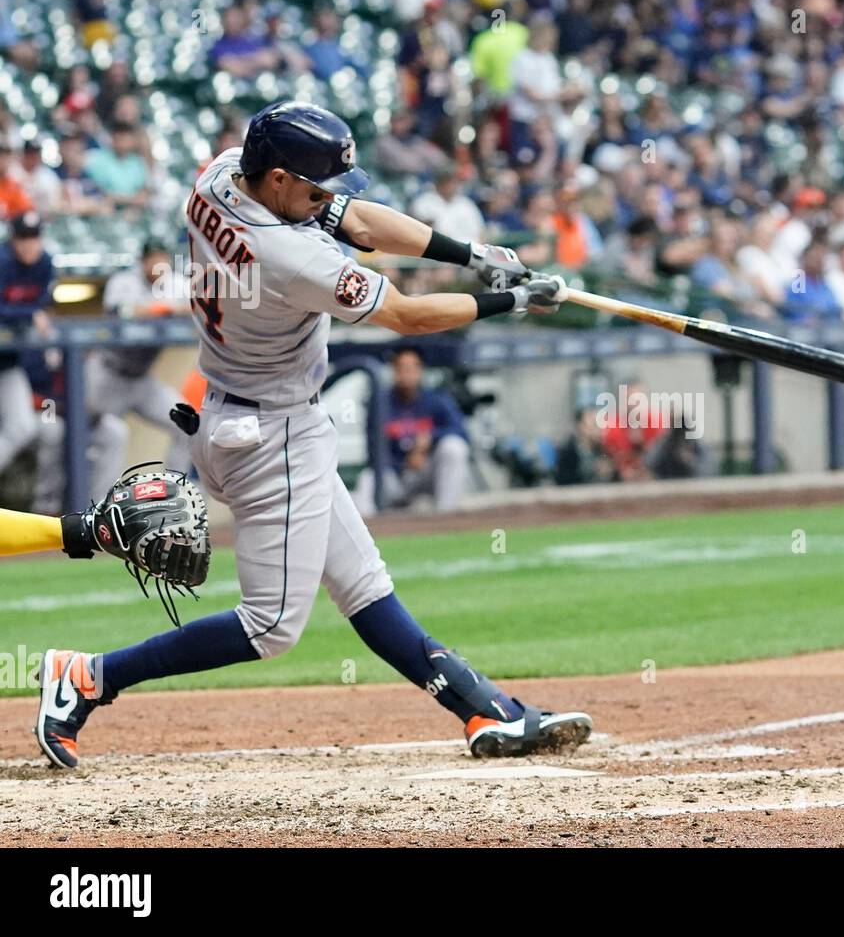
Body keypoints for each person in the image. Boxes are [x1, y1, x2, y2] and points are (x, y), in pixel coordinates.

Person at [33, 101, 591, 770]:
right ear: (276, 180)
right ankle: (89, 677)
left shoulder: (218, 176)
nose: (325, 199)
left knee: (363, 584)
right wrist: (514, 301)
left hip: (238, 413)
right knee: (270, 626)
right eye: (313, 188)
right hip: (272, 436)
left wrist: (475, 256)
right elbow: (408, 316)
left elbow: (356, 219)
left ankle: (483, 710)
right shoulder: (288, 256)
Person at [84, 242, 193, 495]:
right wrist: (161, 310)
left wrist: (169, 309)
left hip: (142, 380)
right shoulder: (124, 282)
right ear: (143, 261)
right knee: (97, 439)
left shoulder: (174, 283)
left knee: (189, 426)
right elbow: (121, 311)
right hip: (107, 375)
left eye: (163, 259)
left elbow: (198, 307)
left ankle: (175, 499)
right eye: (154, 259)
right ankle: (95, 512)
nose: (159, 266)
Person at [382, 346, 471, 511]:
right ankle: (371, 528)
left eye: (412, 368)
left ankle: (446, 516)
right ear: (394, 371)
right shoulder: (382, 403)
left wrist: (430, 438)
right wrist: (404, 462)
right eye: (401, 368)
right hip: (396, 474)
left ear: (420, 370)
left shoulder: (436, 399)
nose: (407, 373)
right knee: (369, 479)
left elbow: (462, 432)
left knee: (454, 447)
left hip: (428, 471)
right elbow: (374, 449)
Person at [0, 212, 53, 478]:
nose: (29, 245)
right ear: (13, 240)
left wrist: (30, 313)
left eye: (34, 238)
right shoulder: (2, 261)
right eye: (23, 238)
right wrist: (27, 314)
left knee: (23, 427)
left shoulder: (45, 263)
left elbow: (42, 303)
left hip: (7, 363)